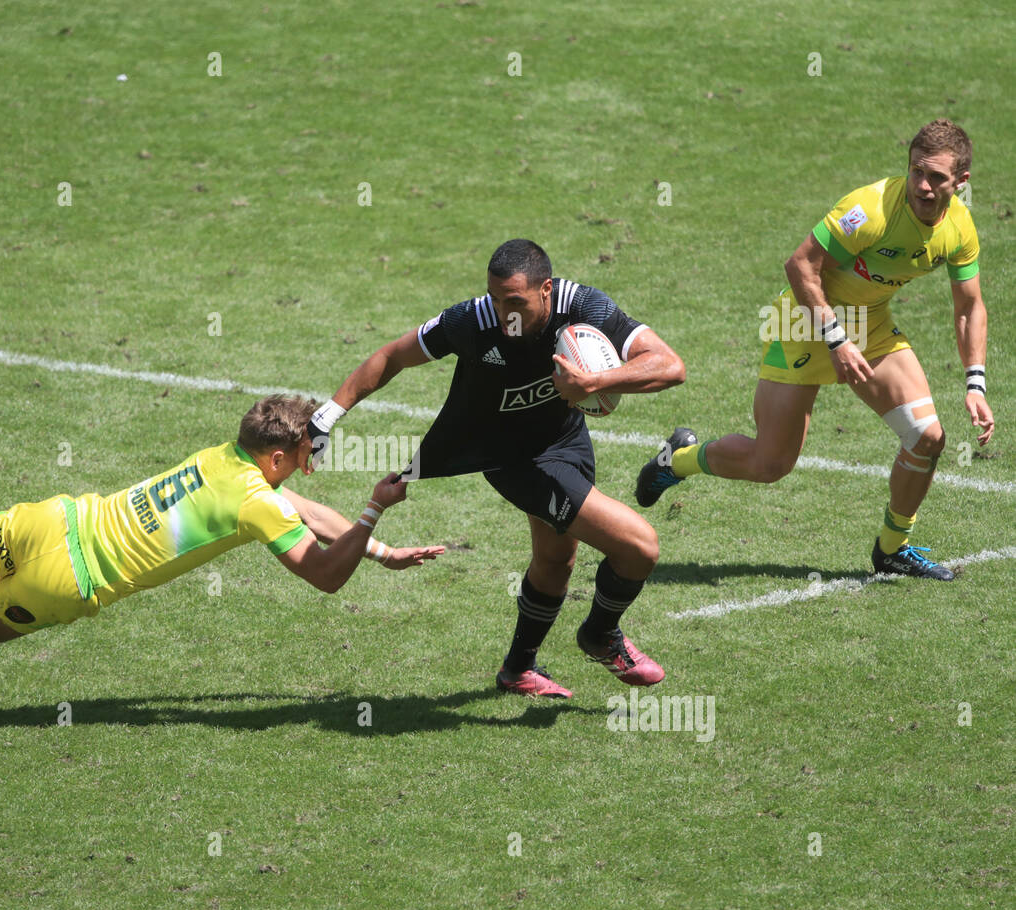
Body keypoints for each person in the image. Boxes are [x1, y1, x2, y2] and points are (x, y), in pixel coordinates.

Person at [0, 395, 444, 649]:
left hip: (49, 519)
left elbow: (299, 508)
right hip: (67, 579)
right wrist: (374, 508)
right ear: (274, 454)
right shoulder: (257, 501)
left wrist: (376, 550)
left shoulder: (223, 459)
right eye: (299, 455)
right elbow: (323, 576)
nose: (306, 463)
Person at [309, 239, 686, 699]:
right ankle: (601, 635)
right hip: (508, 457)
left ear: (546, 289)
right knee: (640, 547)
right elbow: (392, 356)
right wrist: (327, 416)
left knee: (556, 560)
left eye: (516, 302)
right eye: (495, 298)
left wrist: (596, 381)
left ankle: (517, 671)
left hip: (565, 440)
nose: (504, 313)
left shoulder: (585, 306)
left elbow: (670, 366)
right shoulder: (471, 321)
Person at [637, 119, 993, 580]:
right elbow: (801, 265)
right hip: (806, 324)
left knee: (927, 438)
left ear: (961, 183)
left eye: (937, 178)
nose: (923, 186)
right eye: (916, 171)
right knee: (770, 465)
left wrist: (975, 381)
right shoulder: (869, 211)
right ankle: (678, 459)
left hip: (870, 325)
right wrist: (836, 339)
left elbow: (969, 307)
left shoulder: (959, 228)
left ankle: (892, 547)